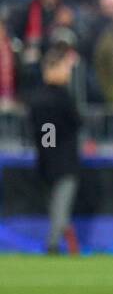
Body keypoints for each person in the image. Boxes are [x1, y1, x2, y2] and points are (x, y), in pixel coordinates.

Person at [27, 45, 82, 254]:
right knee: (60, 207)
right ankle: (53, 244)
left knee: (57, 207)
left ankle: (70, 246)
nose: (68, 72)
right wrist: (52, 150)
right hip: (62, 160)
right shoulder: (59, 98)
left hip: (48, 160)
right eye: (64, 67)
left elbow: (43, 132)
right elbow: (56, 129)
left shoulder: (38, 98)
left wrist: (48, 150)